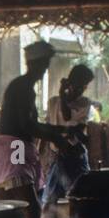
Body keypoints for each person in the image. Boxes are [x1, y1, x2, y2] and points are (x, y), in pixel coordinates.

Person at [0, 41, 69, 218]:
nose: (46, 68)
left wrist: (61, 131)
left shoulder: (23, 87)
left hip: (11, 147)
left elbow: (31, 124)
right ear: (34, 63)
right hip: (14, 148)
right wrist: (56, 137)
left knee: (9, 211)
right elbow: (26, 126)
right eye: (44, 63)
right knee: (31, 210)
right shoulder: (23, 88)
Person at [40, 64, 101, 209]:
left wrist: (62, 94)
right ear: (70, 82)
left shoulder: (85, 103)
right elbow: (47, 128)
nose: (82, 89)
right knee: (49, 200)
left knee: (82, 197)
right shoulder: (53, 102)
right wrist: (40, 151)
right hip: (57, 156)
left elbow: (68, 119)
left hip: (75, 157)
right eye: (79, 85)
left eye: (84, 86)